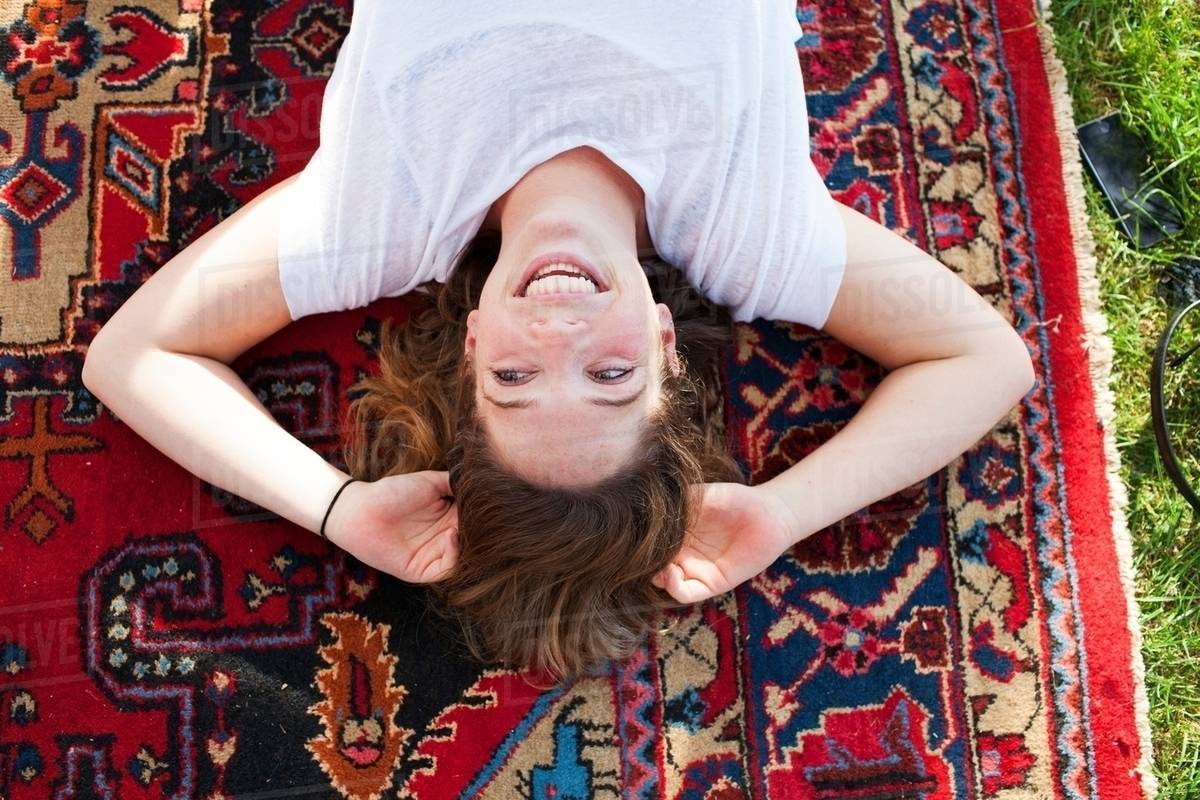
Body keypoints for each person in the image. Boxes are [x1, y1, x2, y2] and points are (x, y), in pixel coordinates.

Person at [81, 1, 1037, 682]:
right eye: (610, 374)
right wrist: (784, 512)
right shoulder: (750, 232)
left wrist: (337, 509)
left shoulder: (379, 219)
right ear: (666, 347)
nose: (556, 328)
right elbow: (985, 361)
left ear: (469, 348)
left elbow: (135, 358)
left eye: (514, 376)